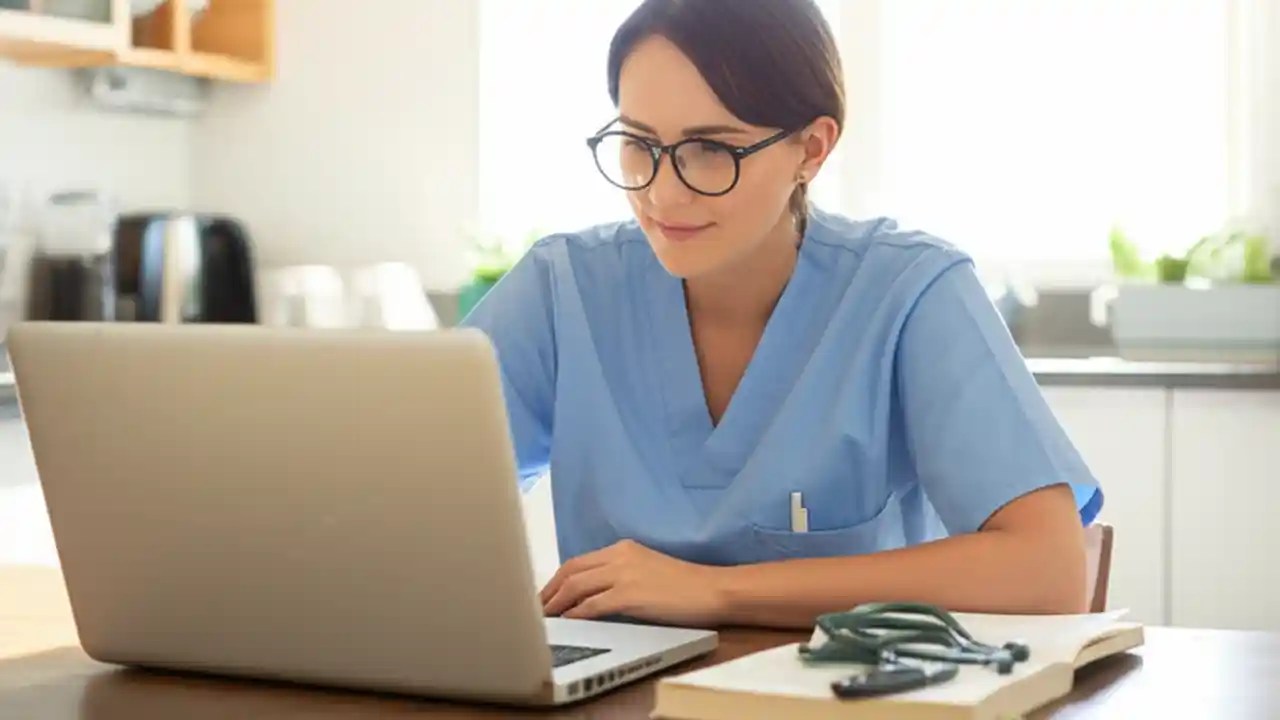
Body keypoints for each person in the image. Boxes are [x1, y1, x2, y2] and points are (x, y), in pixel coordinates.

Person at [461, 0, 1102, 631]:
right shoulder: (563, 286)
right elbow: (405, 501)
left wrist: (716, 592)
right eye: (638, 143)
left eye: (711, 149)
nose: (661, 192)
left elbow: (1047, 571)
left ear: (812, 149)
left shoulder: (908, 292)